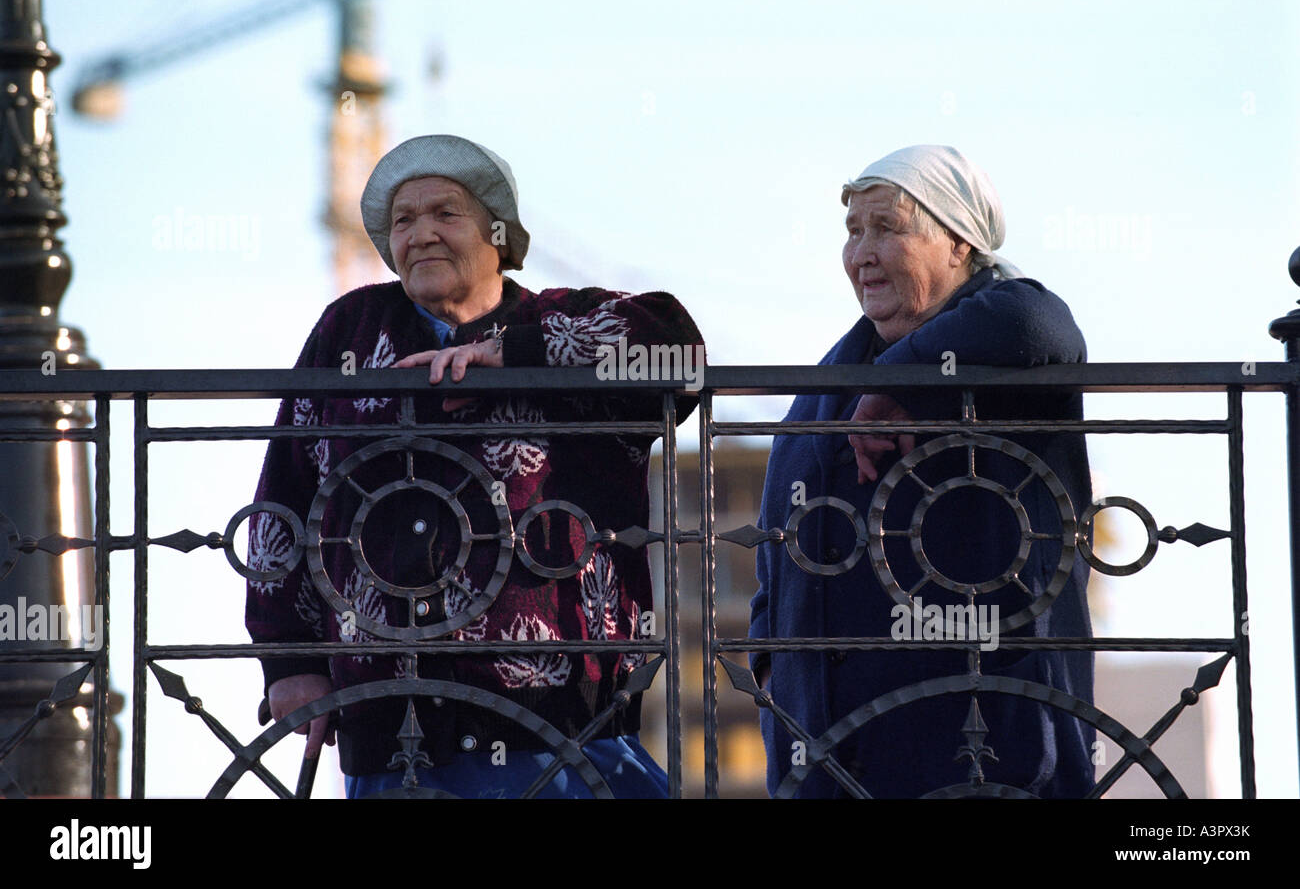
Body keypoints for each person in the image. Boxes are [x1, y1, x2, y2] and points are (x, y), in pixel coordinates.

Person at [245, 134, 703, 798]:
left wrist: (514, 352)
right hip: (388, 728)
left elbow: (678, 354)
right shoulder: (348, 332)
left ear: (498, 231)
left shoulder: (558, 320)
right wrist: (288, 659)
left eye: (445, 214)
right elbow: (283, 500)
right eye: (402, 221)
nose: (421, 234)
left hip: (562, 725)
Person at [749, 144, 1095, 798]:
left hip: (984, 751)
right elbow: (778, 542)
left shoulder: (1007, 331)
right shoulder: (834, 371)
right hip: (833, 758)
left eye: (889, 228)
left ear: (960, 244)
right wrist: (771, 665)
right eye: (854, 232)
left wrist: (904, 379)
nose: (863, 253)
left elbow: (1041, 324)